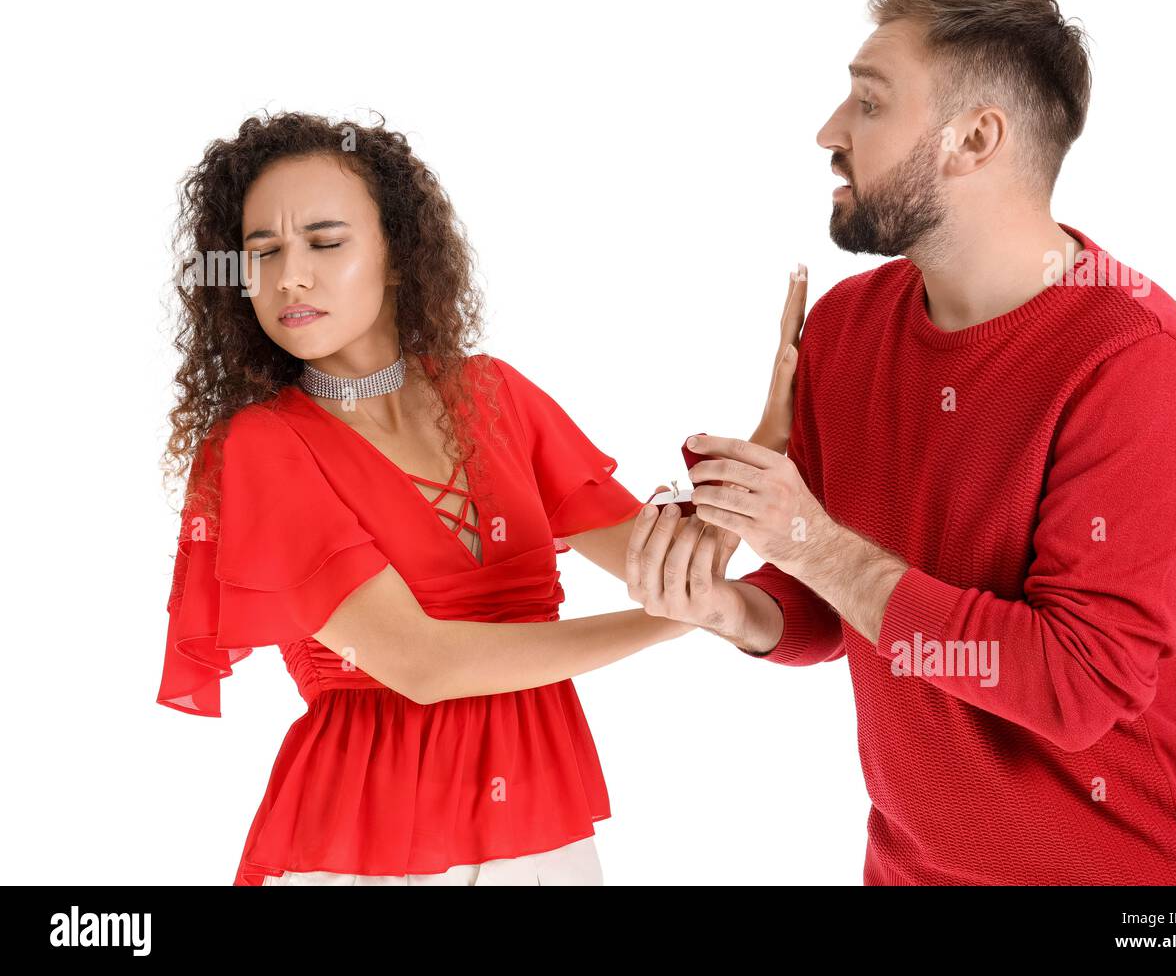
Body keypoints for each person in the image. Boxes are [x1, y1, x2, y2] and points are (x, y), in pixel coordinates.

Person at [625, 0, 1176, 885]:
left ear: (976, 138)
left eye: (870, 104)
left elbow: (1075, 684)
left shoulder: (1138, 362)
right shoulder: (846, 327)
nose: (829, 133)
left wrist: (817, 544)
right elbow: (843, 608)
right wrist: (733, 607)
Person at [155, 110, 796, 885]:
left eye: (325, 242)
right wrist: (675, 622)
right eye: (263, 252)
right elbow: (422, 664)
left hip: (539, 823)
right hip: (368, 842)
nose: (290, 274)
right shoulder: (259, 448)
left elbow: (667, 564)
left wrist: (779, 425)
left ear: (398, 255)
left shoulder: (496, 396)